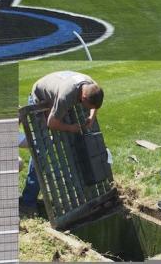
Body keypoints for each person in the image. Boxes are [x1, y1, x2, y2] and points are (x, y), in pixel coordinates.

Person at [19, 71, 104, 215]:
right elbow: (51, 123)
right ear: (83, 97)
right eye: (87, 106)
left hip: (56, 95)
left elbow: (95, 106)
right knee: (41, 150)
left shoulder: (92, 86)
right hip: (40, 100)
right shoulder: (66, 96)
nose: (88, 109)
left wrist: (91, 116)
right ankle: (28, 202)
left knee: (68, 143)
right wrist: (71, 128)